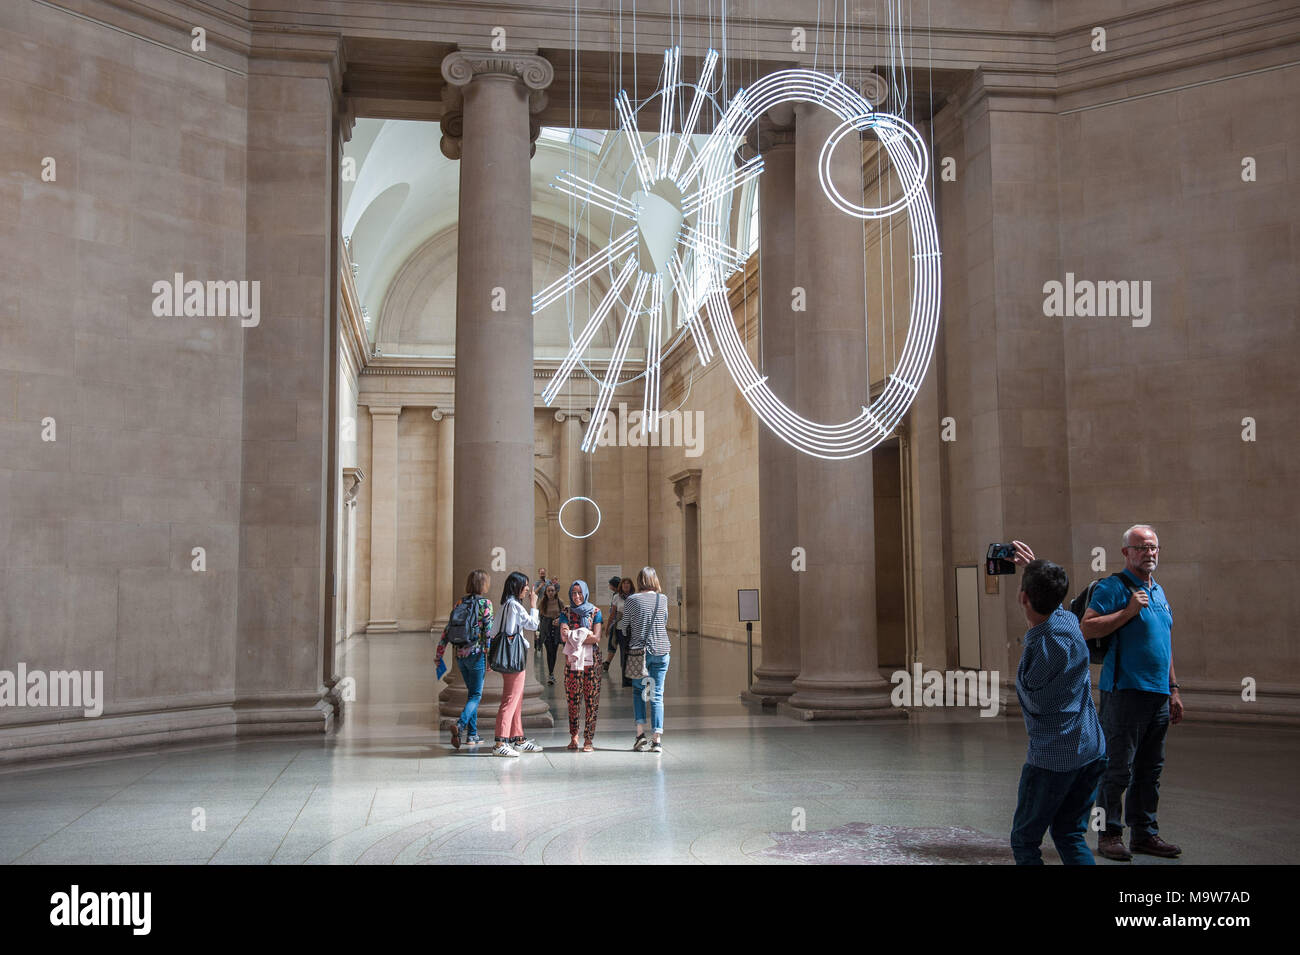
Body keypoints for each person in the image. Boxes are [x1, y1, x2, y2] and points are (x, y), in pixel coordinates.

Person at [1082, 524, 1183, 860]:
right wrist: (1127, 612)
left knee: (1150, 769)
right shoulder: (1114, 587)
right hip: (1123, 692)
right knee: (1116, 768)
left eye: (1152, 547)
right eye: (1140, 548)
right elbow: (1086, 627)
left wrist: (1174, 689)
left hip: (1157, 695)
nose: (1148, 553)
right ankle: (1108, 835)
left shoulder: (1159, 592)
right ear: (1125, 552)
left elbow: (1165, 646)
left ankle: (1145, 834)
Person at [1006, 542, 1108, 865]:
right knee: (1068, 833)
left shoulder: (1040, 650)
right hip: (1091, 750)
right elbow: (1051, 605)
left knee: (1024, 841)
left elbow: (1031, 696)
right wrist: (1035, 571)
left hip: (1053, 759)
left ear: (1023, 597)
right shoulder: (1068, 624)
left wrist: (1033, 581)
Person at [435, 570, 494, 750]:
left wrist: (439, 653)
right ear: (482, 584)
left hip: (460, 655)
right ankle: (460, 725)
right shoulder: (486, 603)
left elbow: (447, 629)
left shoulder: (460, 602)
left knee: (471, 695)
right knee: (476, 695)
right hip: (476, 655)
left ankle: (472, 735)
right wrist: (489, 657)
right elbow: (488, 633)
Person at [491, 571, 543, 757]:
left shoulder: (505, 605)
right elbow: (533, 625)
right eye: (525, 585)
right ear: (517, 586)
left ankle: (517, 738)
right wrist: (534, 605)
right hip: (515, 657)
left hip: (508, 656)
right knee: (510, 700)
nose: (528, 588)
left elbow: (493, 631)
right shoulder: (515, 606)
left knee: (516, 699)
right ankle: (500, 742)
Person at [624, 566, 671, 754]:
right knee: (657, 694)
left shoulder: (632, 600)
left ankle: (640, 734)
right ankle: (657, 740)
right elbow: (665, 621)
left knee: (638, 692)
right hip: (661, 650)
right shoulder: (663, 598)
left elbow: (625, 624)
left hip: (639, 652)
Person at [559, 580, 603, 752]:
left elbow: (597, 638)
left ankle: (589, 739)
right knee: (573, 699)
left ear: (585, 593)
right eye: (573, 593)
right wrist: (585, 633)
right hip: (572, 661)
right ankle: (574, 736)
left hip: (593, 662)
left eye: (579, 593)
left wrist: (572, 635)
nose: (576, 596)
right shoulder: (566, 612)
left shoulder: (596, 611)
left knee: (591, 700)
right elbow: (563, 637)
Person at [604, 577, 635, 688]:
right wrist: (607, 627)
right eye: (624, 583)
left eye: (628, 583)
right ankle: (625, 679)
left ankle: (632, 676)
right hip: (620, 626)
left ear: (631, 585)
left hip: (633, 626)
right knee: (623, 651)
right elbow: (612, 614)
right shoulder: (617, 597)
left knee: (631, 652)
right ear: (621, 586)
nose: (626, 585)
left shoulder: (635, 597)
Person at [538, 581, 565, 685]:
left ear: (555, 592)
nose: (550, 592)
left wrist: (559, 620)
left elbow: (564, 614)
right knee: (549, 651)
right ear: (545, 592)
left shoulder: (559, 602)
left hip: (556, 628)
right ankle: (550, 674)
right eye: (548, 590)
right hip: (546, 627)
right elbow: (539, 616)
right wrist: (538, 631)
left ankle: (551, 672)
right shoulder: (542, 602)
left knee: (554, 651)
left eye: (552, 590)